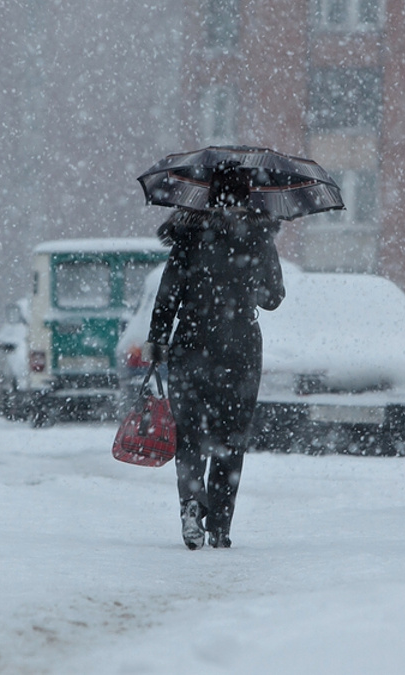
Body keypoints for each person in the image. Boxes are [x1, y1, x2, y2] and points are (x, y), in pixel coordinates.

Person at [145, 165, 285, 550]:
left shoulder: (189, 236)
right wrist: (245, 289)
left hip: (191, 342)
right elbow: (274, 297)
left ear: (208, 193)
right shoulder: (259, 236)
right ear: (247, 194)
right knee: (230, 437)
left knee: (189, 434)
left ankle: (192, 504)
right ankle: (220, 527)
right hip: (239, 345)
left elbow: (167, 295)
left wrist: (157, 342)